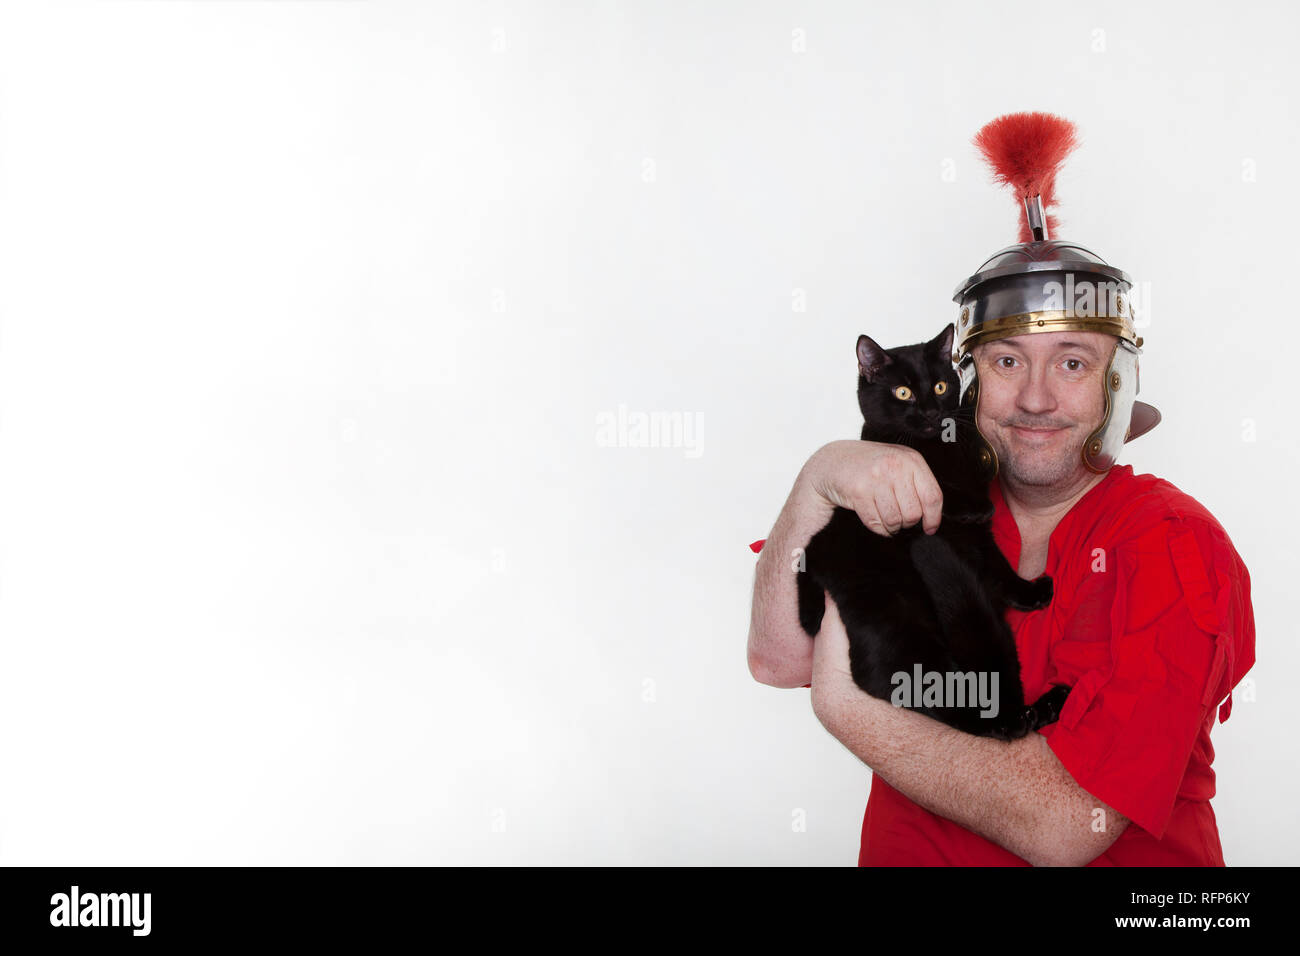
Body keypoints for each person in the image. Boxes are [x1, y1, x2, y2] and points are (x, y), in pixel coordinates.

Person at [746, 112, 1256, 866]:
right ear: (967, 383)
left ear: (1116, 389)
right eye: (1008, 362)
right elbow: (778, 658)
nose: (1037, 399)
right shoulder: (914, 497)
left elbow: (1064, 826)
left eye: (1073, 363)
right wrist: (817, 484)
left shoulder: (1171, 543)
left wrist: (851, 710)